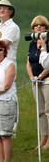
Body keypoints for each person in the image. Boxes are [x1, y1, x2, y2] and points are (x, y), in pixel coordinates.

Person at [27, 15, 49, 151]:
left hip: (46, 80)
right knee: (40, 111)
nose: (38, 27)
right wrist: (31, 77)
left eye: (41, 25)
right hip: (36, 81)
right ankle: (43, 138)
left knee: (48, 110)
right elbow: (29, 62)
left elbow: (48, 63)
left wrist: (41, 75)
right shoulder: (32, 44)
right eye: (36, 26)